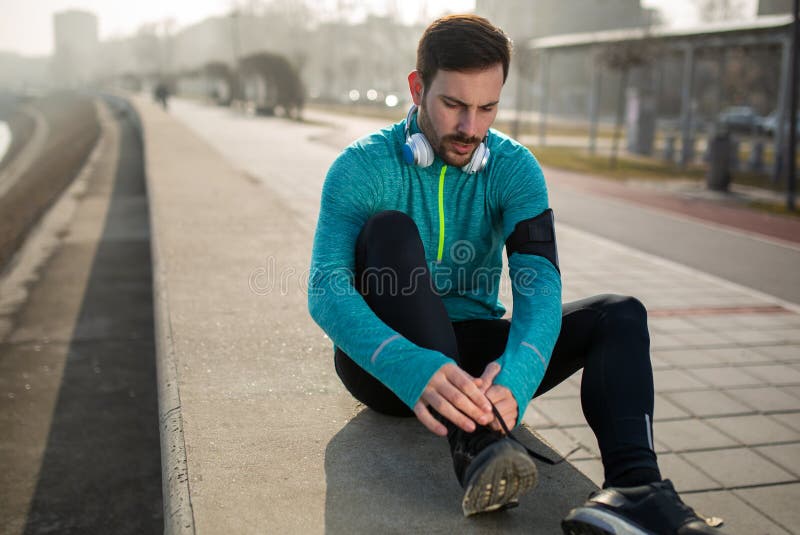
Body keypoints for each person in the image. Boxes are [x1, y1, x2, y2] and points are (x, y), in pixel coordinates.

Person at [308, 14, 725, 534]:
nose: (471, 128)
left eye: (487, 108)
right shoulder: (363, 166)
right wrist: (412, 367)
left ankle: (635, 491)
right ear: (417, 88)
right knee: (390, 229)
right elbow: (326, 289)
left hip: (476, 350)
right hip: (386, 369)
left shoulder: (514, 169)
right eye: (455, 105)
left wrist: (517, 378)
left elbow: (540, 286)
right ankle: (478, 443)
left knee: (619, 315)